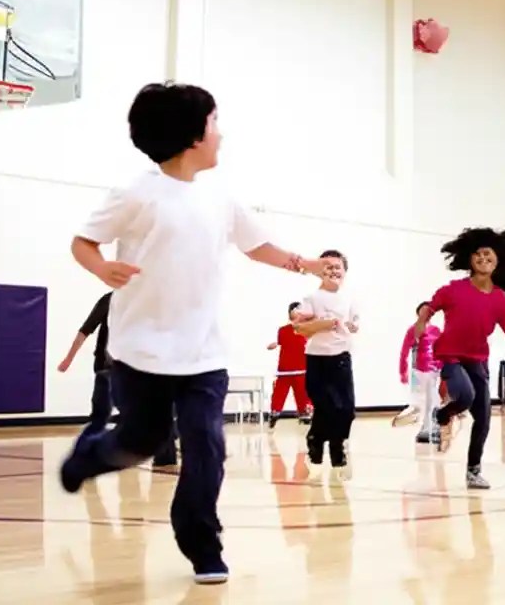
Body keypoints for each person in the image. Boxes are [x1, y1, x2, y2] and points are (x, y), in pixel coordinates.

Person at [57, 82, 336, 585]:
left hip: (203, 355)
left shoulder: (219, 196)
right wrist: (102, 268)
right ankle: (88, 457)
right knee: (142, 441)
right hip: (140, 352)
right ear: (191, 136)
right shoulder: (136, 194)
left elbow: (257, 246)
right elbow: (83, 242)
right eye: (214, 123)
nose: (221, 133)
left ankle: (202, 542)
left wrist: (304, 263)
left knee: (207, 444)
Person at [414, 227, 505, 490]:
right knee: (465, 396)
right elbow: (430, 306)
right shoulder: (453, 290)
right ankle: (443, 414)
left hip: (478, 359)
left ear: (497, 260)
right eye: (477, 255)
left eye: (488, 255)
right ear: (469, 260)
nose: (483, 259)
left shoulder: (500, 299)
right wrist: (422, 321)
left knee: (483, 416)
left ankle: (473, 471)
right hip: (450, 356)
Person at [292, 249, 359, 476]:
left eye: (337, 267)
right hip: (317, 359)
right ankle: (316, 439)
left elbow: (354, 321)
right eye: (327, 267)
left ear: (344, 272)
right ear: (320, 272)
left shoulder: (349, 298)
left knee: (346, 409)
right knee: (325, 406)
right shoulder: (312, 298)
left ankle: (336, 443)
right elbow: (299, 326)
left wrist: (353, 325)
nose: (333, 270)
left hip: (341, 358)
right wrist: (317, 322)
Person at [56, 293, 116, 437]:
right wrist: (69, 358)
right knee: (100, 411)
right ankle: (91, 446)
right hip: (106, 366)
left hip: (131, 366)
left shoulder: (144, 303)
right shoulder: (108, 300)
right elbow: (86, 330)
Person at [396, 301, 443, 444]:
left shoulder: (436, 330)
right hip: (420, 370)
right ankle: (425, 429)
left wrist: (444, 367)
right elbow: (404, 352)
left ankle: (432, 428)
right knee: (422, 401)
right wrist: (403, 371)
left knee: (433, 399)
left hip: (435, 370)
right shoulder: (413, 330)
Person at [266, 302, 311, 429]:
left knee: (302, 393)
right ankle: (275, 413)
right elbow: (280, 342)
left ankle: (305, 413)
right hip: (285, 369)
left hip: (301, 368)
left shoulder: (307, 330)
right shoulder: (283, 330)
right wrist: (274, 344)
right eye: (295, 310)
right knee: (279, 392)